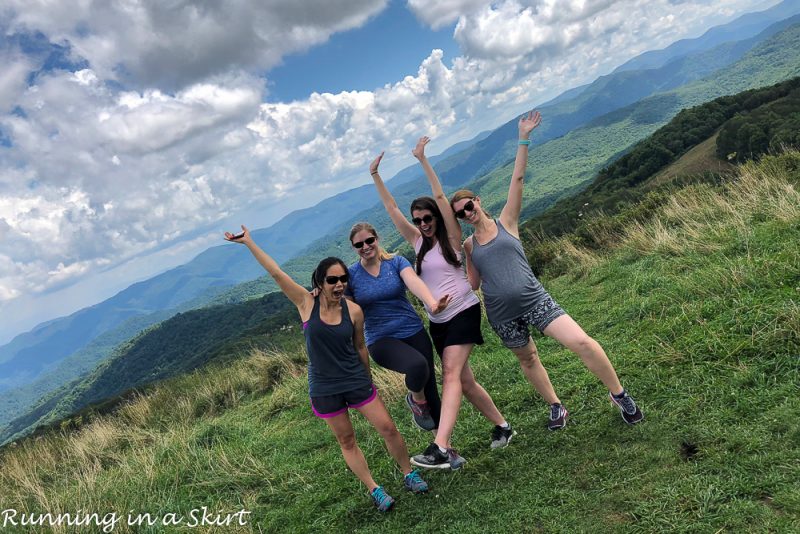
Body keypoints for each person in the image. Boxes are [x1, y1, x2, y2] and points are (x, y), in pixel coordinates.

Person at [451, 110, 644, 429]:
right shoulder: (469, 247)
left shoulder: (507, 223)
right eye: (460, 213)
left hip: (534, 300)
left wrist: (523, 138)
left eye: (469, 206)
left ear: (478, 201)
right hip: (501, 314)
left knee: (582, 342)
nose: (467, 213)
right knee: (528, 359)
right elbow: (473, 283)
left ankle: (619, 394)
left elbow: (518, 180)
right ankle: (556, 406)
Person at [225, 226, 429, 512]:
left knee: (388, 428)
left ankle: (409, 473)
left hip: (355, 379)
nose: (339, 285)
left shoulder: (354, 310)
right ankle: (375, 489)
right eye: (332, 280)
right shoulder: (305, 303)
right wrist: (249, 243)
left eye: (343, 279)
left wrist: (367, 376)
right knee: (347, 439)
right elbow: (276, 274)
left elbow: (360, 346)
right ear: (320, 282)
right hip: (324, 387)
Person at [368, 140, 515, 471]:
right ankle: (503, 426)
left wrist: (423, 160)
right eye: (417, 220)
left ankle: (441, 446)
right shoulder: (416, 242)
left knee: (449, 373)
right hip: (438, 321)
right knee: (464, 381)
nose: (423, 223)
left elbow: (438, 197)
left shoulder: (450, 236)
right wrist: (375, 176)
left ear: (437, 216)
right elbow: (392, 210)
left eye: (427, 218)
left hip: (463, 309)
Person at [346, 222, 450, 437]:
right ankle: (416, 401)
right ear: (353, 247)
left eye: (369, 241)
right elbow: (344, 308)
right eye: (359, 244)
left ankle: (442, 446)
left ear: (377, 239)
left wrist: (431, 302)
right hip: (380, 339)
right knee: (417, 366)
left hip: (413, 330)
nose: (365, 246)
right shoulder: (351, 276)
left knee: (430, 386)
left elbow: (413, 281)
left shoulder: (396, 262)